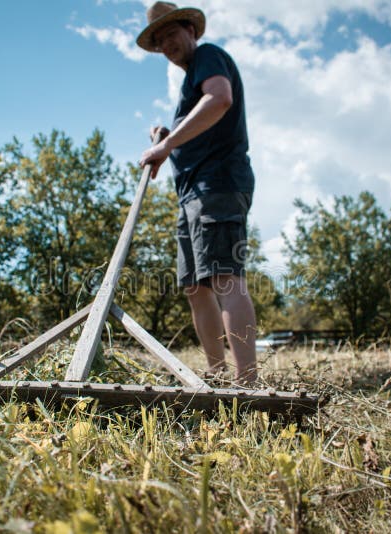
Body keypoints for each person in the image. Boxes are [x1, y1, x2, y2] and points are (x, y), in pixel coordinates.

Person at [137, 2, 258, 384]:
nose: (166, 44)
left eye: (171, 33)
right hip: (191, 195)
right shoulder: (189, 82)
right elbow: (194, 122)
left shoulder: (208, 56)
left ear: (190, 29)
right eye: (159, 41)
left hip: (217, 186)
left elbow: (220, 99)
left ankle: (247, 384)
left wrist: (167, 143)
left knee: (224, 277)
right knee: (195, 287)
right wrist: (166, 135)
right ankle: (216, 377)